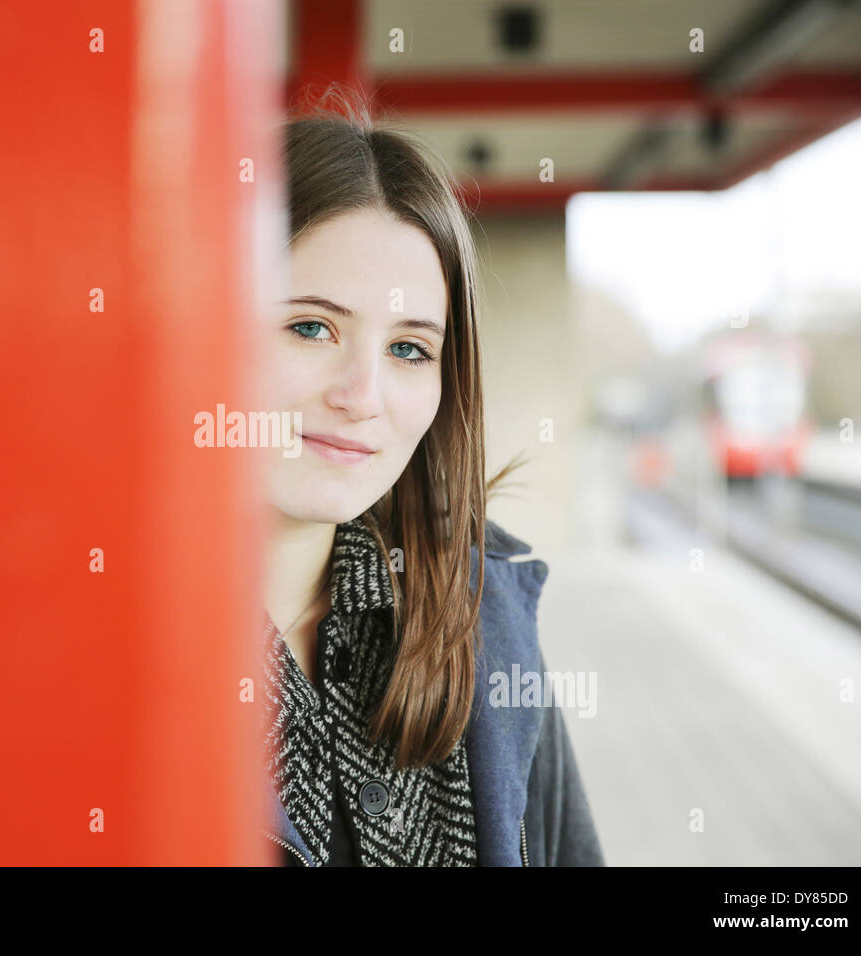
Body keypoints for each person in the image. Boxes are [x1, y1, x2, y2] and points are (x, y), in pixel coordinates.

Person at [257, 86, 604, 866]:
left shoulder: (479, 620)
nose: (361, 396)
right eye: (309, 327)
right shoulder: (86, 648)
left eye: (410, 348)